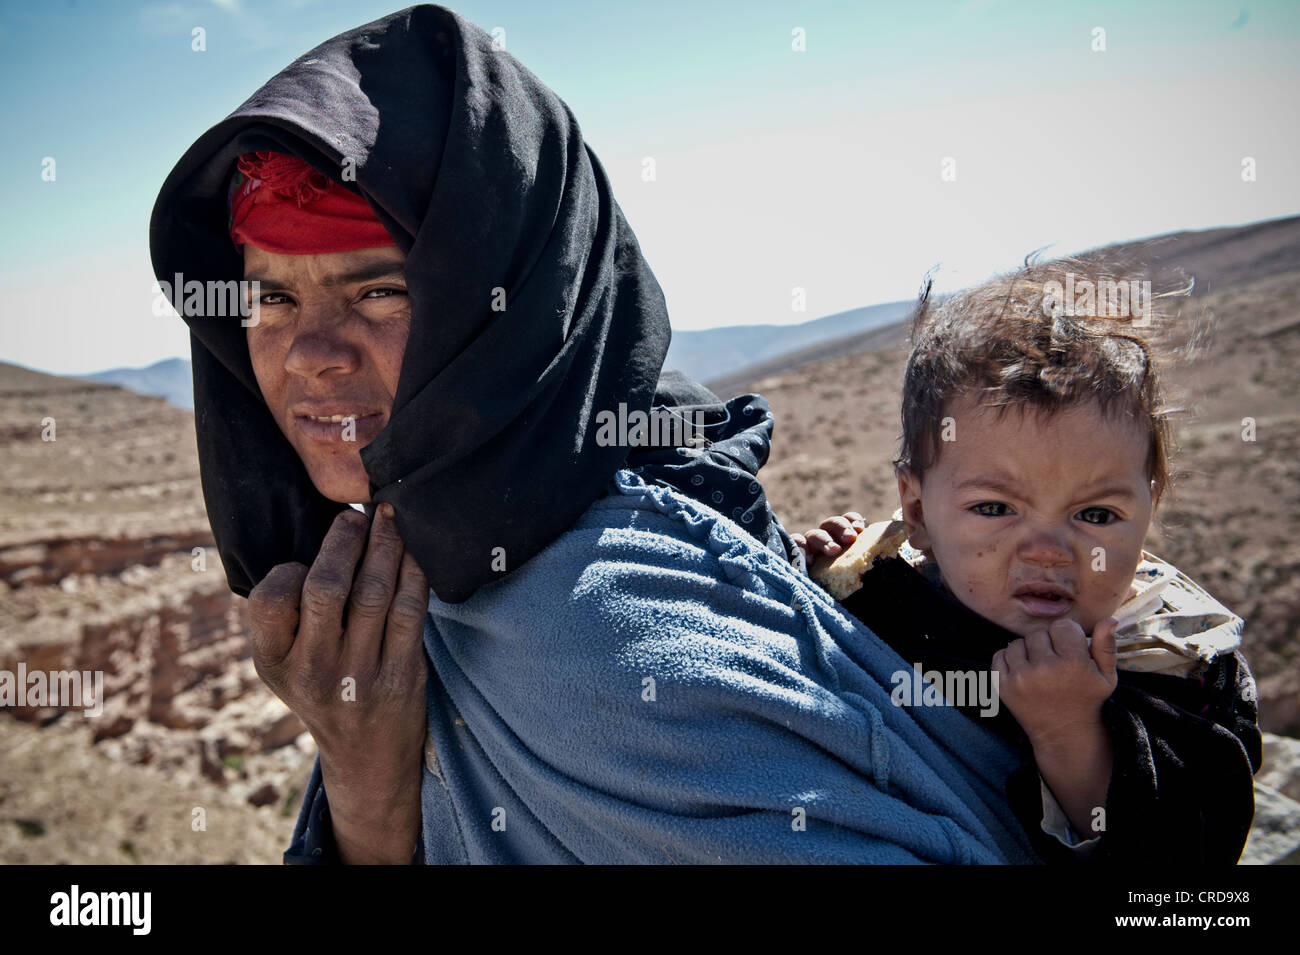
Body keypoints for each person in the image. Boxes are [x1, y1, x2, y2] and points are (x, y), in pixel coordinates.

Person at [150, 4, 1044, 864]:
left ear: (508, 304)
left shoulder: (584, 628)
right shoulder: (446, 556)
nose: (308, 354)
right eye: (271, 299)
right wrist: (362, 785)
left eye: (380, 291)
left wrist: (368, 793)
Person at [791, 259, 1262, 863]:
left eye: (1095, 515)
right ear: (917, 512)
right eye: (994, 508)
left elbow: (1184, 865)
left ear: (1149, 510)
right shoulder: (906, 590)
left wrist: (1069, 731)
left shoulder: (1176, 664)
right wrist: (830, 573)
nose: (1046, 550)